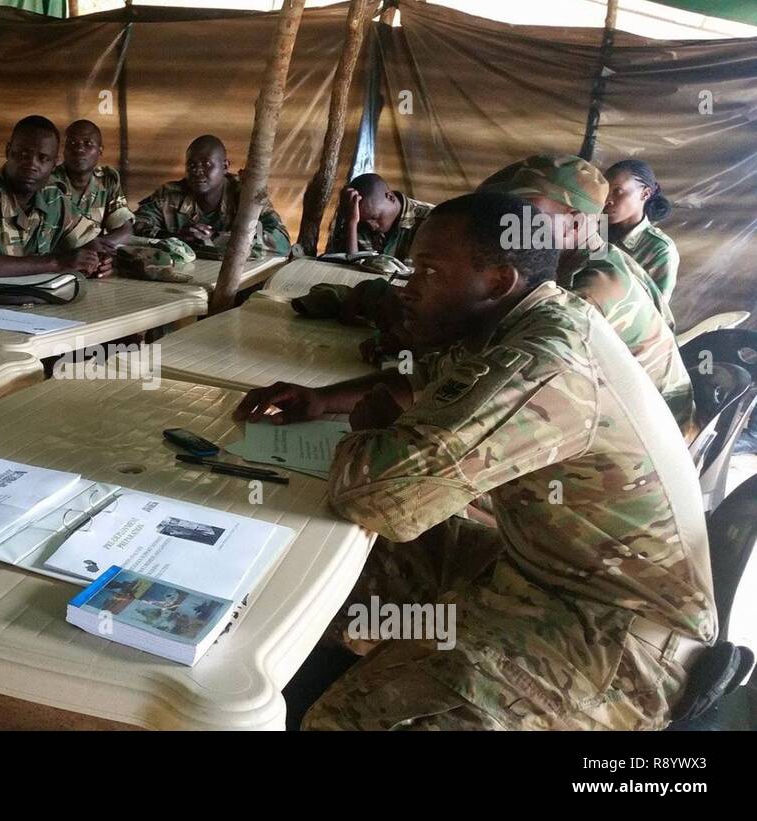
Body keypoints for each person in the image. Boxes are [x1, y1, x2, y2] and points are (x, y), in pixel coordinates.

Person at [235, 192, 714, 730]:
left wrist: (370, 428)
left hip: (611, 640)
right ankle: (267, 681)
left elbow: (379, 496)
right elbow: (427, 380)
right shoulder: (530, 314)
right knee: (319, 573)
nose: (408, 288)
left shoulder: (544, 360)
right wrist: (327, 399)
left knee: (344, 721)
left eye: (429, 271)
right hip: (542, 568)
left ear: (497, 281)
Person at [479, 154, 692, 431]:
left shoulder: (594, 289)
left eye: (528, 214)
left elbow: (513, 382)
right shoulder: (586, 255)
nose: (512, 226)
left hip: (647, 432)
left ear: (576, 224)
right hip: (615, 406)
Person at [0, 115, 112, 282]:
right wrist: (56, 263)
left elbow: (88, 241)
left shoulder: (53, 194)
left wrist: (99, 260)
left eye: (43, 158)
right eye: (23, 154)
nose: (32, 165)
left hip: (32, 297)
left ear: (54, 164)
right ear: (8, 151)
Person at [133, 135, 292, 256]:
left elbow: (282, 242)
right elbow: (135, 225)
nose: (197, 171)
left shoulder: (246, 195)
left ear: (225, 166)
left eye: (206, 164)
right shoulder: (169, 195)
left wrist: (218, 239)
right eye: (192, 165)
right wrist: (174, 237)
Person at [50, 119, 134, 251]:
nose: (79, 149)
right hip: (56, 263)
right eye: (72, 143)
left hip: (93, 259)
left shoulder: (107, 179)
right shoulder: (50, 182)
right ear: (64, 150)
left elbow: (124, 229)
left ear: (100, 151)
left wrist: (96, 250)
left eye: (88, 144)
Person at [604, 159, 680, 303]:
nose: (607, 199)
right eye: (605, 191)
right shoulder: (595, 230)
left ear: (645, 194)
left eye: (617, 191)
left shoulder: (659, 249)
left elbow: (657, 311)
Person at [324, 172, 433, 262]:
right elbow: (349, 266)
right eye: (365, 221)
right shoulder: (358, 220)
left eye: (374, 217)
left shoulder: (431, 220)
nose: (372, 225)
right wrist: (351, 223)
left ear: (390, 197)